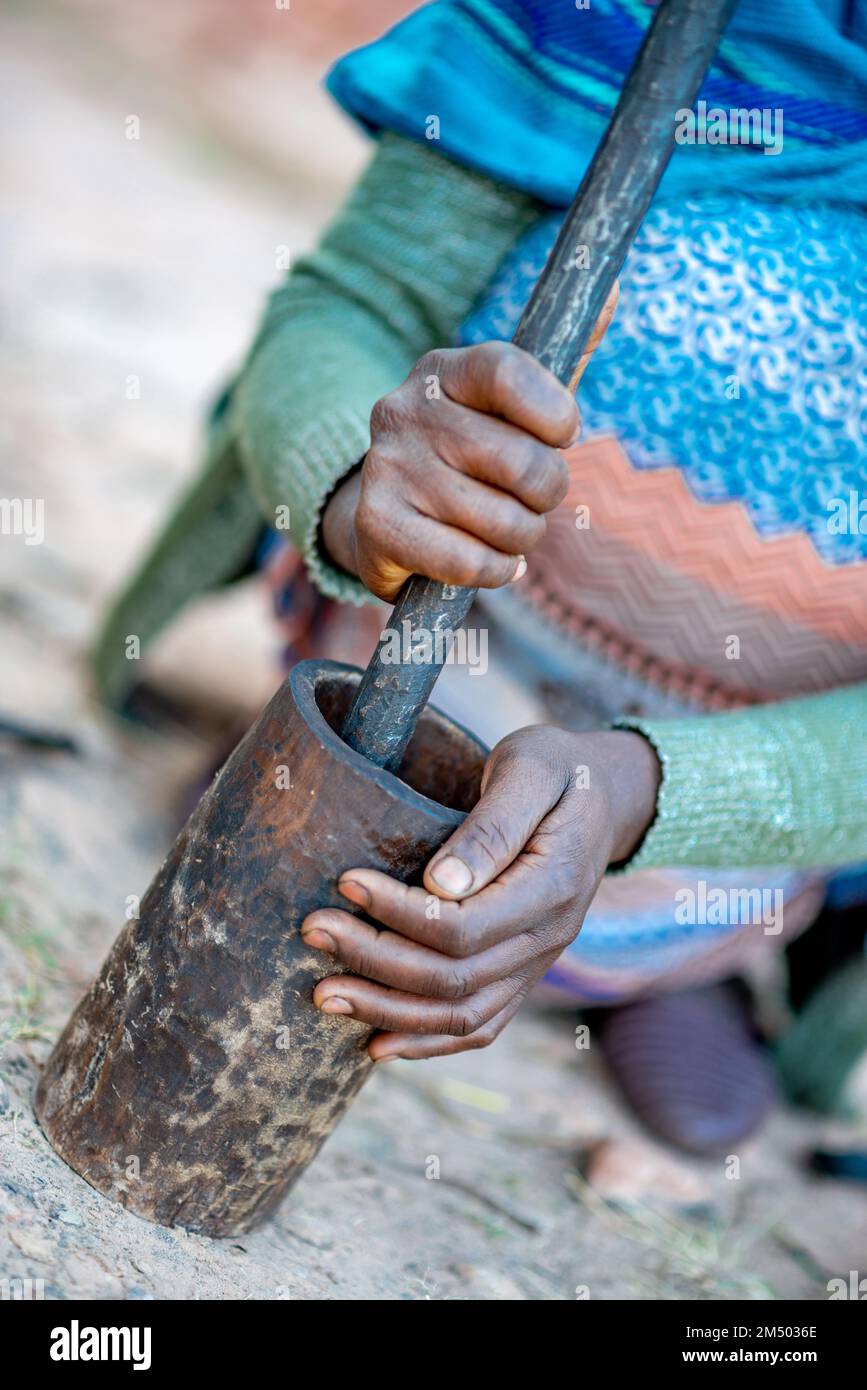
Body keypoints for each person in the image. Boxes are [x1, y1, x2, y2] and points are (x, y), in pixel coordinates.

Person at [93, 0, 867, 1153]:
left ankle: (680, 963)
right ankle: (313, 775)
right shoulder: (623, 17)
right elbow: (351, 303)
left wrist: (635, 790)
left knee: (670, 883)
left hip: (738, 800)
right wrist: (357, 486)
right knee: (352, 840)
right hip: (416, 649)